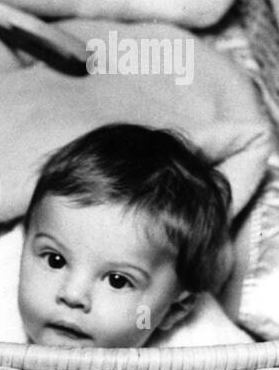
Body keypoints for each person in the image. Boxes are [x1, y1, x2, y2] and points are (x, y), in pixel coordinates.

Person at [17, 124, 233, 349]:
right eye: (55, 260)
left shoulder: (202, 355)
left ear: (174, 309)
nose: (72, 295)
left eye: (117, 281)